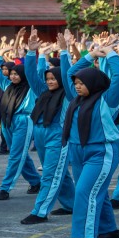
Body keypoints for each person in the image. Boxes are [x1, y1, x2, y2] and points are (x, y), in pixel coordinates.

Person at [59, 42, 119, 238]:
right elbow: (70, 71)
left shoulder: (107, 99)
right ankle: (108, 230)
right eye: (76, 83)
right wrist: (90, 55)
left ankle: (82, 237)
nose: (77, 86)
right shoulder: (76, 98)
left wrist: (111, 54)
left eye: (82, 83)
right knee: (96, 191)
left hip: (101, 151)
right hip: (78, 150)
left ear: (94, 83)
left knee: (85, 192)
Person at [20, 29, 75, 224]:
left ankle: (40, 211)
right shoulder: (43, 90)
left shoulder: (69, 95)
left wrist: (64, 51)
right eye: (49, 78)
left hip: (58, 136)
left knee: (51, 174)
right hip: (41, 135)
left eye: (54, 79)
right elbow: (31, 75)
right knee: (60, 173)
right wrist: (31, 53)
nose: (50, 81)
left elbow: (69, 77)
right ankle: (71, 204)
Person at [0, 30, 42, 201]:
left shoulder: (31, 87)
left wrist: (32, 52)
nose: (13, 76)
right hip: (8, 121)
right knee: (19, 154)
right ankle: (35, 182)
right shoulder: (8, 85)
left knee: (15, 156)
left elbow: (32, 71)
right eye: (11, 73)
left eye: (16, 73)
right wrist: (0, 54)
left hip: (24, 121)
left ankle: (6, 187)